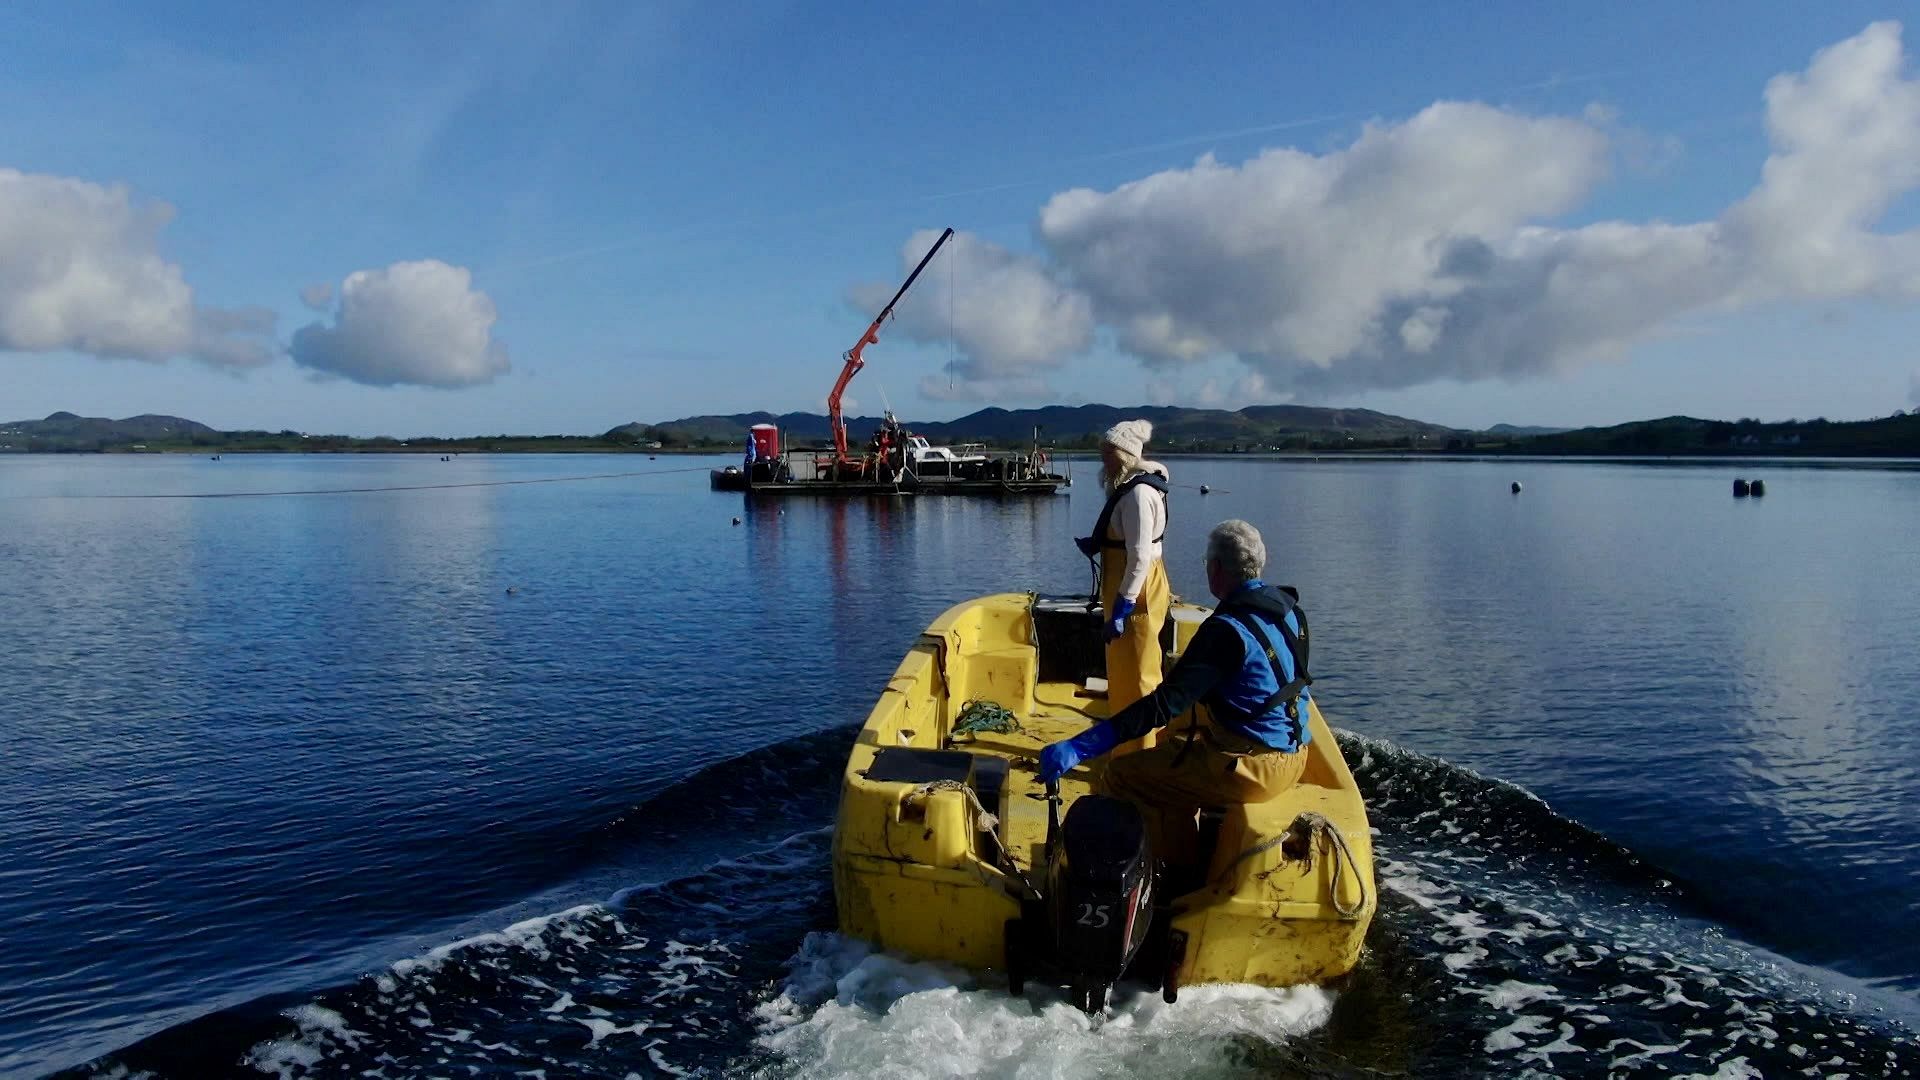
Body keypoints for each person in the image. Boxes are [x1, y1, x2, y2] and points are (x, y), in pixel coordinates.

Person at [1041, 519, 1314, 885]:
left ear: (1216, 569)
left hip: (1254, 769)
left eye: (1207, 564)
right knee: (1177, 752)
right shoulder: (1291, 611)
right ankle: (1190, 846)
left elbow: (1161, 706)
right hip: (1297, 754)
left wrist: (1079, 747)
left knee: (1124, 776)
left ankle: (1175, 876)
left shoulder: (1224, 632)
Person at [1074, 419, 1172, 730]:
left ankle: (1140, 749)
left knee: (1139, 670)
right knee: (1123, 667)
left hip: (1137, 588)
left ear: (1126, 454)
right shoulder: (1130, 489)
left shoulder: (1139, 495)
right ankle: (1123, 739)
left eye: (1109, 452)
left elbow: (1142, 555)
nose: (1103, 459)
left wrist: (1124, 604)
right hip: (1127, 583)